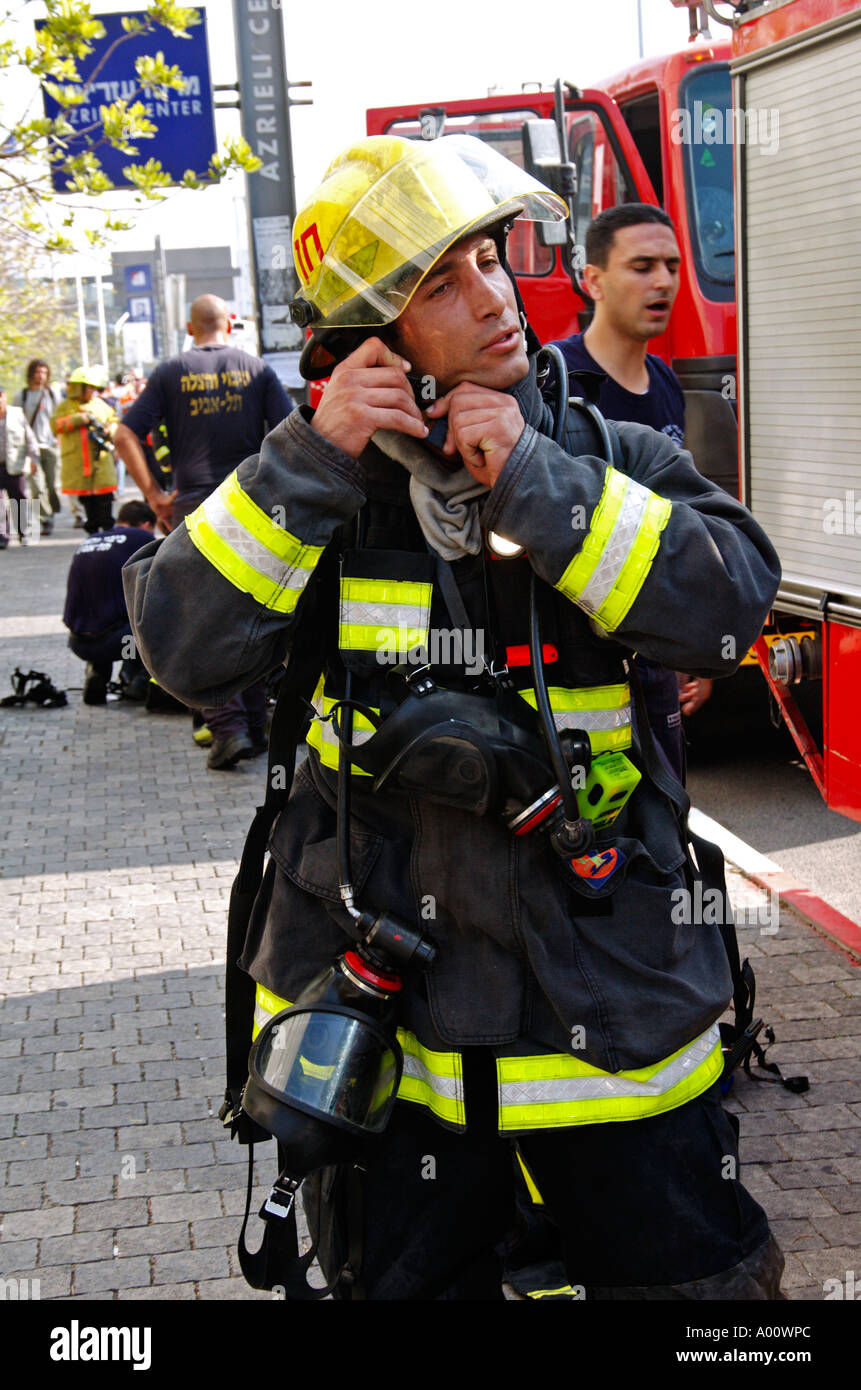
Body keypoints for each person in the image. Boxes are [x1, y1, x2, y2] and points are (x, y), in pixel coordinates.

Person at [123, 135, 784, 1300]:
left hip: (618, 1042)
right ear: (370, 342)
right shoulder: (317, 492)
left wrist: (538, 480)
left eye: (489, 259)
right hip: (392, 1064)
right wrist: (304, 463)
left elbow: (730, 606)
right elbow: (182, 649)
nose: (496, 299)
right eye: (443, 283)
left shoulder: (604, 454)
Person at [552, 204, 712, 781]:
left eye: (671, 265)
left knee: (665, 825)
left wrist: (696, 641)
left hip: (655, 656)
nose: (664, 281)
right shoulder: (553, 380)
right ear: (591, 279)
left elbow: (679, 519)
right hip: (579, 667)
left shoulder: (666, 382)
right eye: (642, 266)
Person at [114, 293, 294, 770]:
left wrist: (154, 494)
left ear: (191, 329)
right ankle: (252, 724)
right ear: (228, 325)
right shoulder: (256, 369)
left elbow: (124, 433)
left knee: (203, 619)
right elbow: (290, 433)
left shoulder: (171, 372)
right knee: (252, 609)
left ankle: (231, 728)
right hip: (251, 506)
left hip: (196, 510)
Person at [64, 499, 156, 704]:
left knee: (103, 617)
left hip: (78, 642)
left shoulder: (91, 540)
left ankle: (97, 671)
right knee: (155, 621)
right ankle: (137, 679)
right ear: (146, 525)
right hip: (121, 643)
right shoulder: (142, 538)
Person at [50, 365, 118, 534]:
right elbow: (55, 425)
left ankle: (108, 533)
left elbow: (115, 421)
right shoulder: (64, 407)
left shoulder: (100, 405)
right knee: (88, 504)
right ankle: (92, 535)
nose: (92, 391)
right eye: (88, 387)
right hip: (78, 464)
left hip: (100, 464)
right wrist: (77, 419)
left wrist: (111, 429)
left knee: (105, 502)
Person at [15, 359, 62, 536]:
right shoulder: (22, 395)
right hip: (30, 448)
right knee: (37, 486)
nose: (41, 376)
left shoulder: (52, 393)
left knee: (52, 485)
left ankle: (50, 514)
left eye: (44, 372)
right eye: (37, 372)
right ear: (31, 374)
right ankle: (44, 519)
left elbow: (60, 417)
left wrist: (60, 439)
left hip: (50, 445)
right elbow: (17, 422)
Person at [0, 387, 39, 547]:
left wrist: (34, 458)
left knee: (19, 499)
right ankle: (2, 537)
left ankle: (24, 533)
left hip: (14, 465)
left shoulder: (16, 414)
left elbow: (29, 438)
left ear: (4, 396)